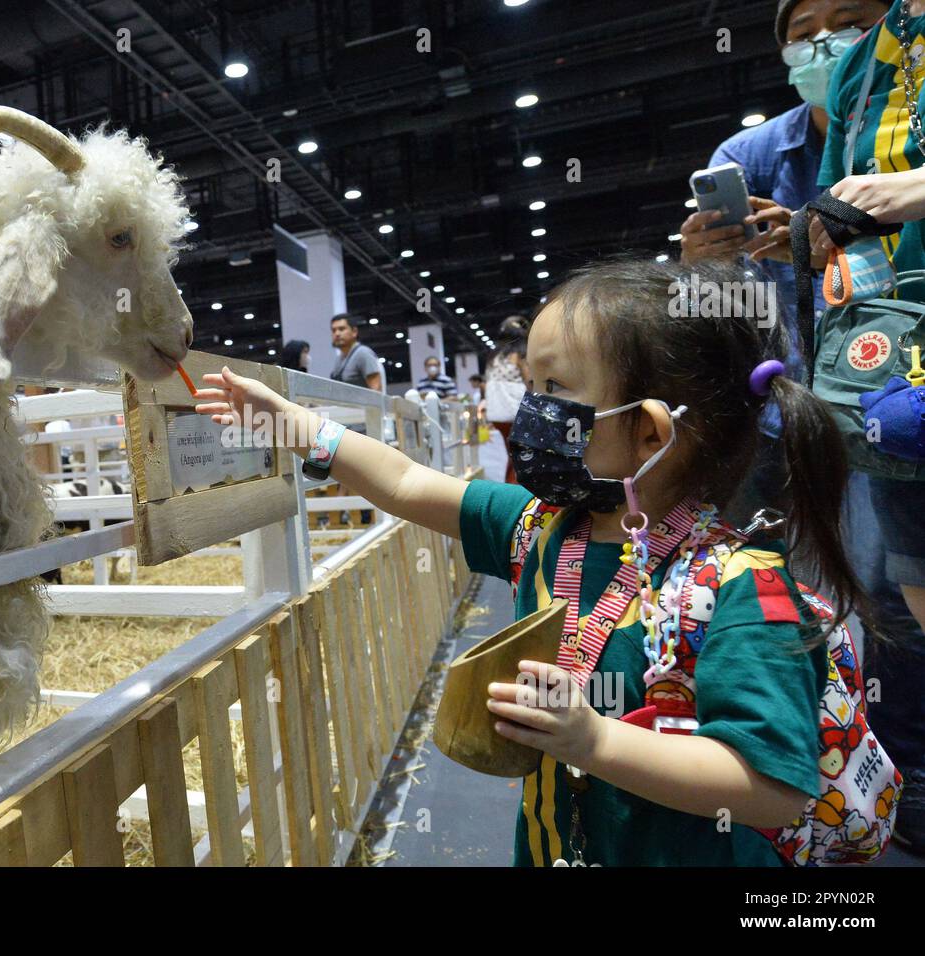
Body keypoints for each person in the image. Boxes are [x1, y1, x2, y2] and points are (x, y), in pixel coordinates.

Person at [194, 258, 872, 866]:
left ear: (648, 431)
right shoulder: (542, 531)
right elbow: (406, 484)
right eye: (531, 384)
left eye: (555, 388)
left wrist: (594, 742)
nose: (533, 411)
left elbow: (773, 788)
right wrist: (298, 425)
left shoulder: (739, 587)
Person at [679, 0, 890, 526]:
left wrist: (824, 243)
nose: (824, 41)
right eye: (803, 32)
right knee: (763, 564)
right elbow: (715, 305)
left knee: (885, 578)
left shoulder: (906, 139)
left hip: (887, 394)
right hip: (776, 405)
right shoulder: (748, 154)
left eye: (848, 23)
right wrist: (699, 267)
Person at [809, 0, 925, 852]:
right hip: (889, 371)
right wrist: (809, 232)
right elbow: (836, 219)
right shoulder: (864, 62)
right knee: (913, 588)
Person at [483, 316, 531, 483]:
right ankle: (517, 490)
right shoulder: (519, 353)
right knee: (521, 457)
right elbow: (529, 380)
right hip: (515, 413)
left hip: (497, 415)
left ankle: (510, 486)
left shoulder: (494, 356)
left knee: (512, 455)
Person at [328, 313, 383, 391]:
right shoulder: (339, 359)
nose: (337, 334)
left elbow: (376, 391)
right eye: (333, 330)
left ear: (354, 332)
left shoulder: (363, 353)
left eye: (341, 329)